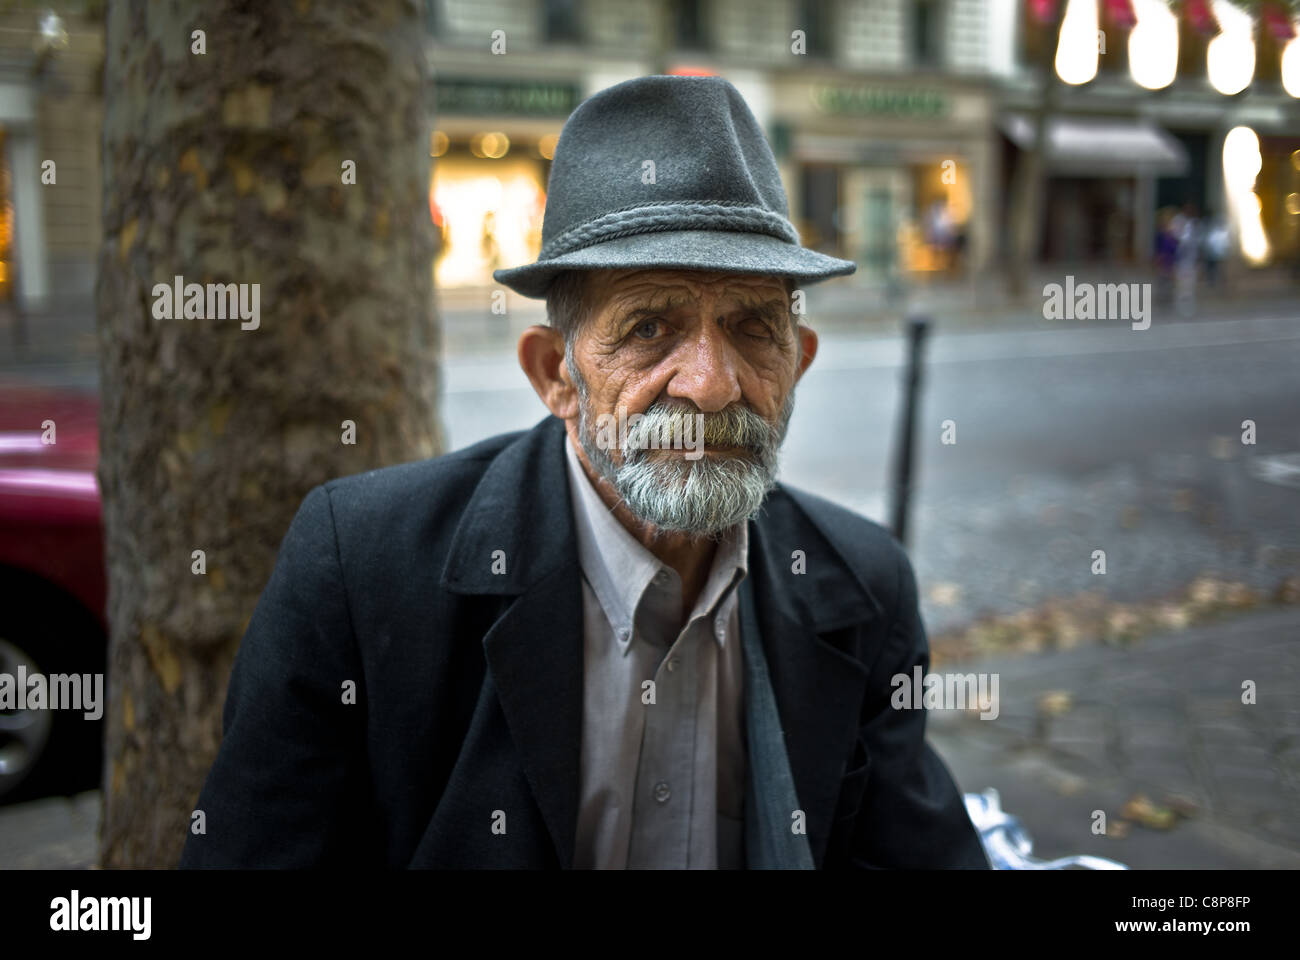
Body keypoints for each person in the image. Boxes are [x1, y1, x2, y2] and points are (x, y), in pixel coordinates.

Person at [179, 75, 989, 870]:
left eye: (752, 327)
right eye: (648, 327)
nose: (710, 382)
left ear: (798, 364)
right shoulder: (361, 574)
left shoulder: (862, 590)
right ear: (555, 376)